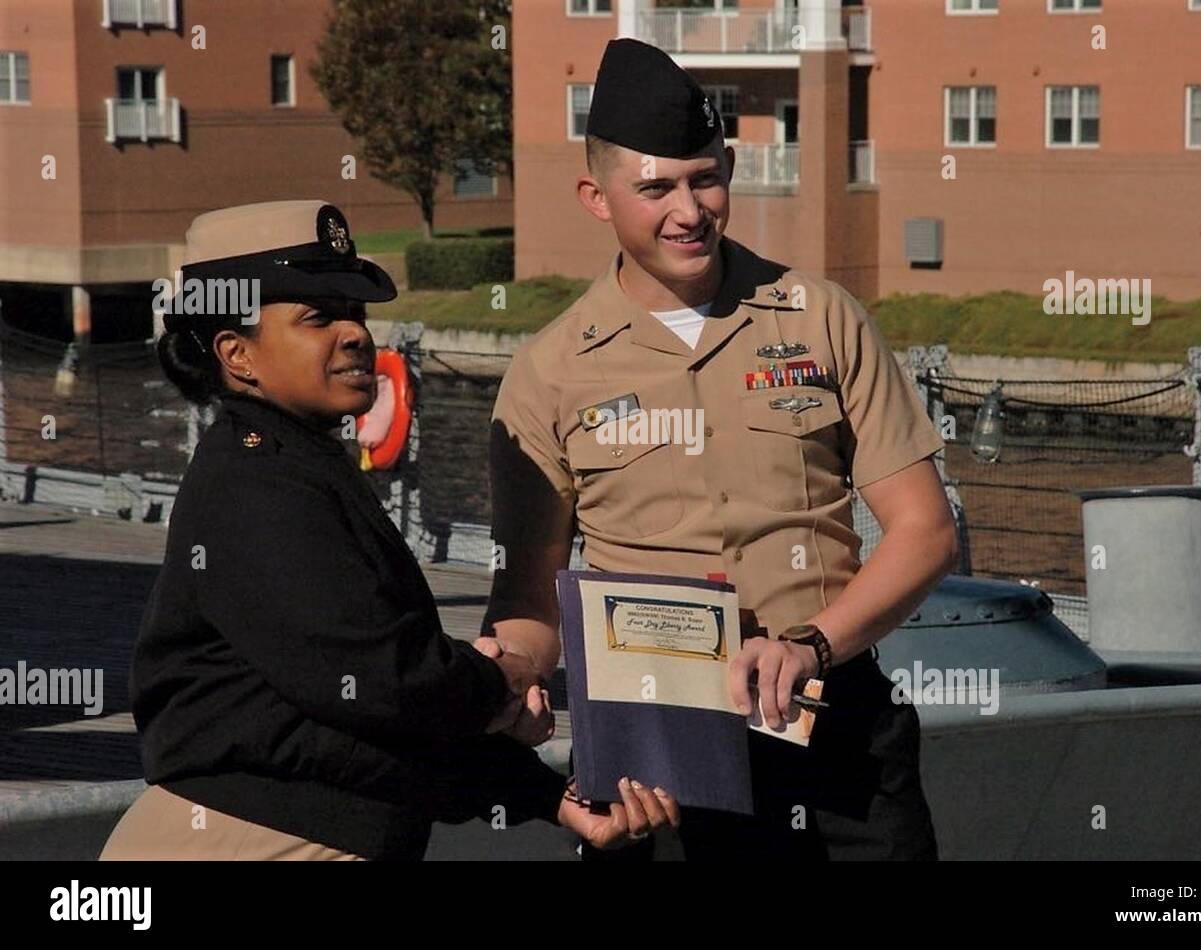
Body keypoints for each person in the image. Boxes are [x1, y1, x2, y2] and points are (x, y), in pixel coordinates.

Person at [483, 40, 958, 860]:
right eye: (655, 187)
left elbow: (926, 530)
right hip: (655, 763)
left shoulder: (819, 317)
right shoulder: (549, 373)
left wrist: (810, 643)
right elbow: (530, 593)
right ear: (595, 196)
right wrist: (506, 674)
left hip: (833, 731)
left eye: (706, 177)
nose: (689, 210)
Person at [100, 200, 677, 861]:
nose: (354, 334)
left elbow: (361, 724)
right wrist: (502, 679)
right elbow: (383, 680)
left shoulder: (296, 464)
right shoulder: (257, 484)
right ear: (238, 354)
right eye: (319, 317)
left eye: (357, 313)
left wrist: (541, 795)